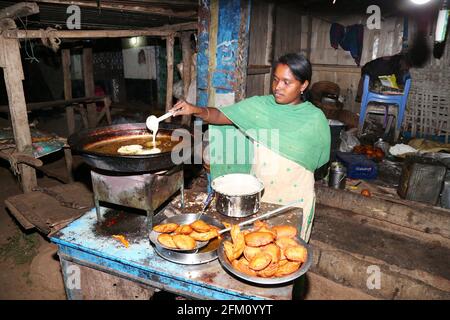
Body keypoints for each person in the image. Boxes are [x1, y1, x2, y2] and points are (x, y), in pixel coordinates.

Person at [171, 53, 330, 242]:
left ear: (303, 85)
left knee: (289, 250)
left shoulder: (314, 118)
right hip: (261, 195)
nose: (278, 87)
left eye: (287, 82)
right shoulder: (261, 106)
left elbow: (320, 160)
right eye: (276, 80)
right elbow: (222, 116)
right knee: (257, 246)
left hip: (294, 197)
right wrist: (195, 109)